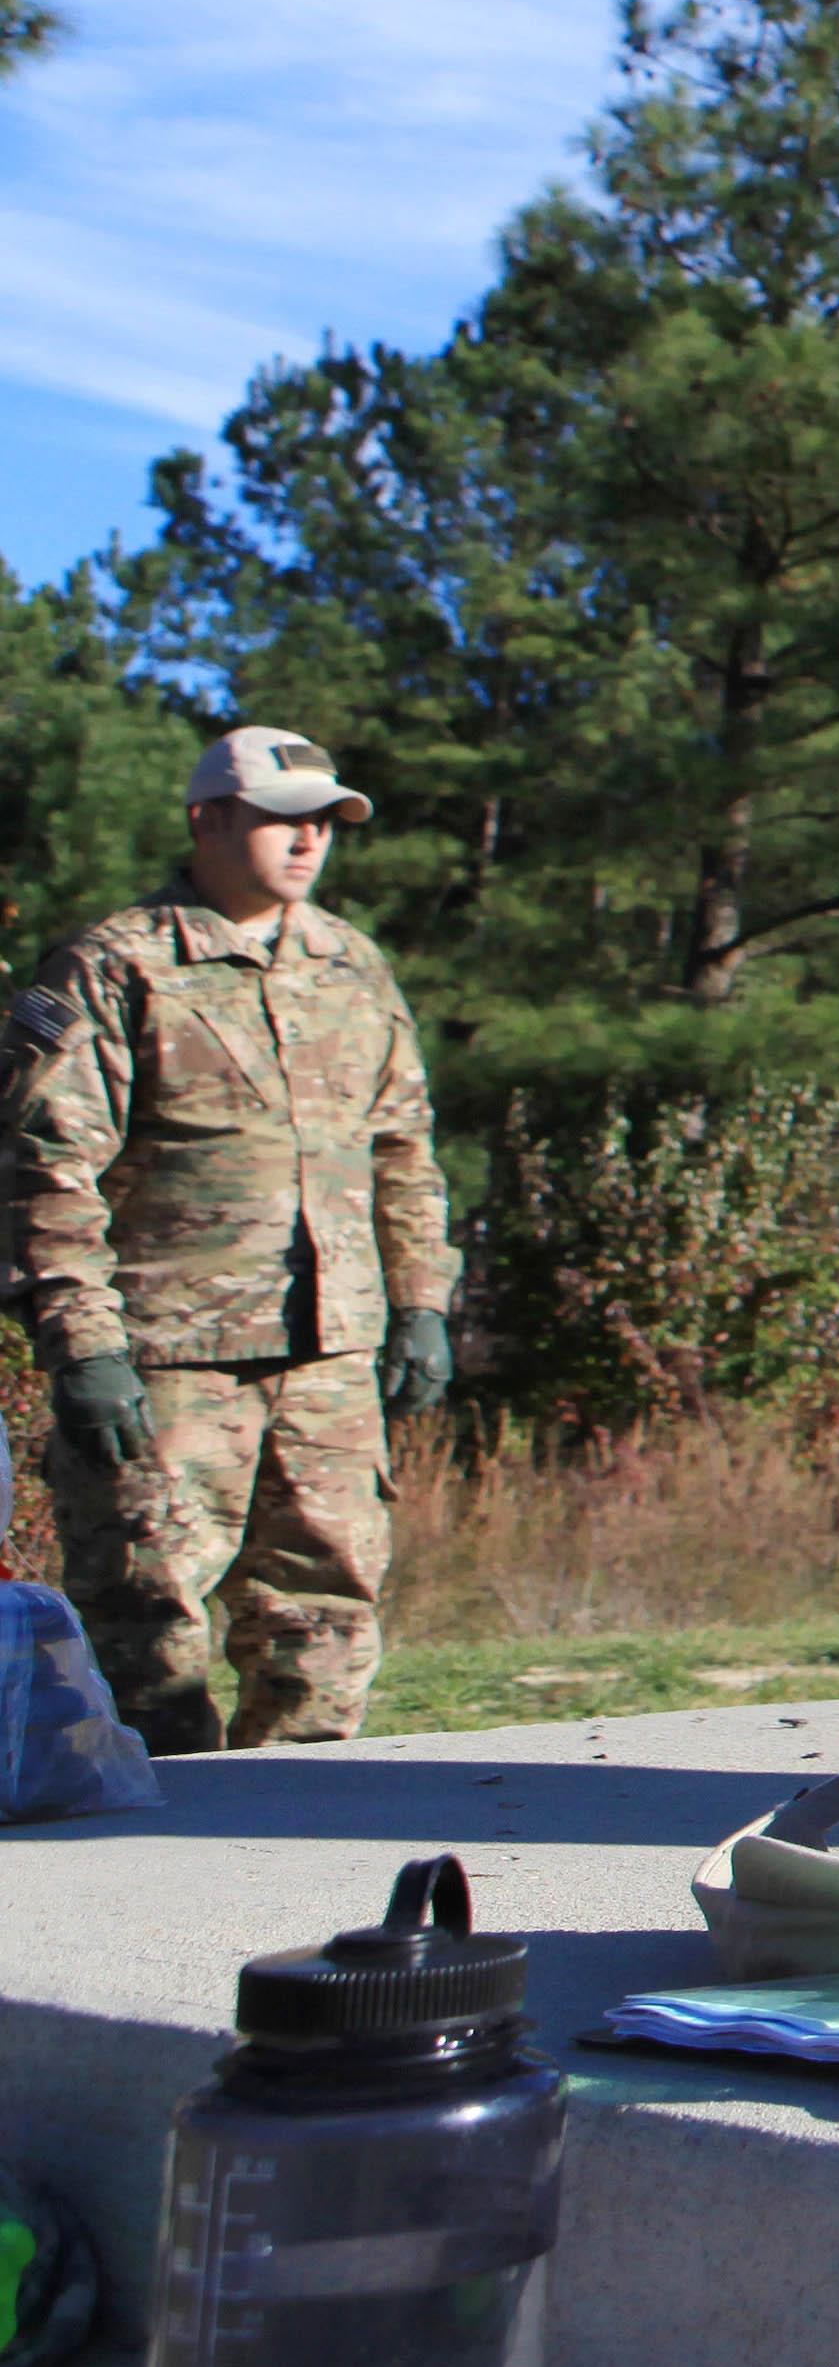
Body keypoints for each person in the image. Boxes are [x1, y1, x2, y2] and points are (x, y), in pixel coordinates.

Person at [10, 727, 450, 1752]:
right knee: (145, 1622)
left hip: (329, 1357)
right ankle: (155, 1830)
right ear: (207, 820)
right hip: (167, 1357)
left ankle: (294, 1820)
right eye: (281, 819)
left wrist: (422, 1300)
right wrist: (84, 1346)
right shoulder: (115, 966)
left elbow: (404, 1152)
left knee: (326, 1614)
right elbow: (46, 1168)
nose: (308, 841)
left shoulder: (351, 965)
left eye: (325, 821)